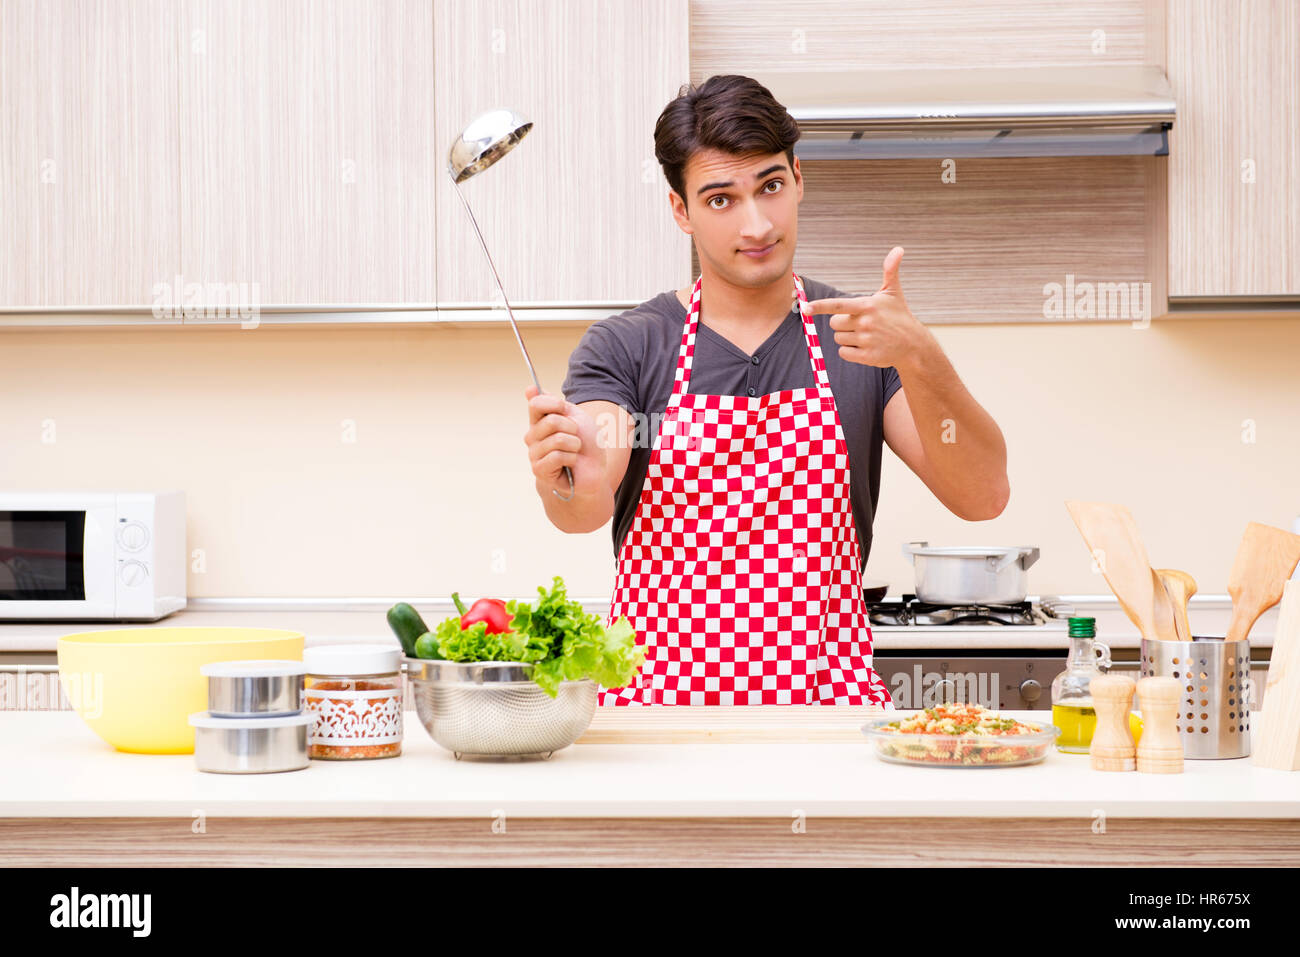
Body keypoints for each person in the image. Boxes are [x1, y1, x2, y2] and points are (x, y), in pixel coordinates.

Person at [523, 74, 1009, 706]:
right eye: (721, 198)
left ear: (798, 179)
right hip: (659, 719)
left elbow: (983, 495)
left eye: (770, 187)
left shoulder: (862, 336)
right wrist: (561, 475)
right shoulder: (629, 346)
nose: (757, 224)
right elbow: (585, 502)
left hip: (827, 711)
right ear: (681, 210)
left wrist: (924, 358)